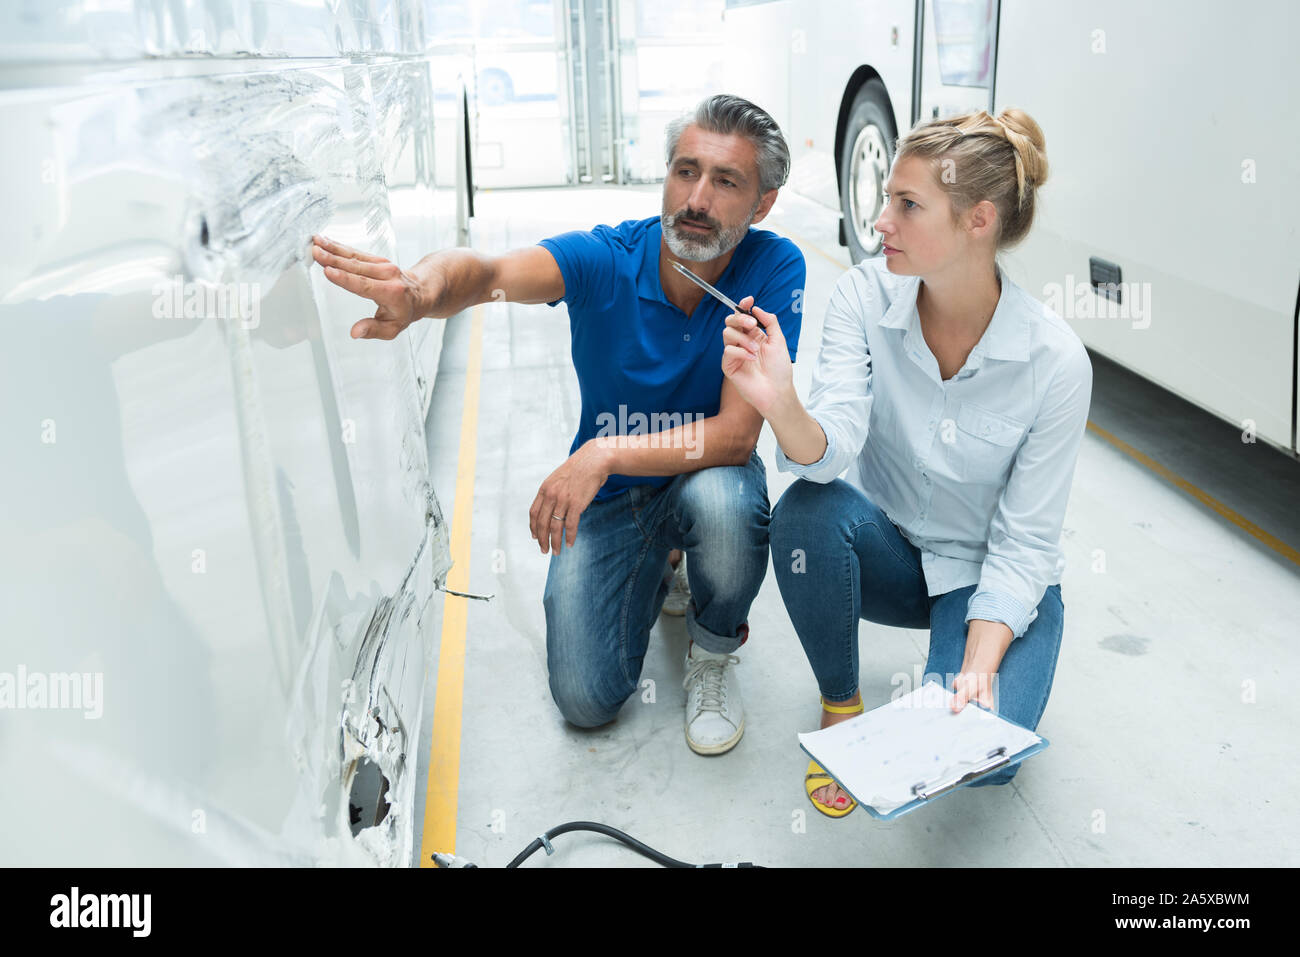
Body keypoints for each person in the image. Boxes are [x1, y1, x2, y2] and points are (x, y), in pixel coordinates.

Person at [310, 94, 807, 755]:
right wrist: (423, 292)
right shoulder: (608, 261)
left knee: (725, 501)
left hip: (699, 472)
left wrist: (602, 450)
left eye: (726, 181)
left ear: (763, 203)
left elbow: (737, 435)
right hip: (617, 496)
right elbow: (488, 272)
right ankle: (664, 561)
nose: (697, 197)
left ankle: (713, 647)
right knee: (586, 697)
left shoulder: (775, 268)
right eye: (686, 171)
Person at [720, 108, 1092, 815]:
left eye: (907, 204)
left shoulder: (1055, 363)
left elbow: (1025, 545)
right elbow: (830, 450)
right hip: (888, 553)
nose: (880, 220)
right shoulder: (865, 296)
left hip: (988, 581)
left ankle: (960, 670)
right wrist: (781, 403)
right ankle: (842, 705)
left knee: (981, 757)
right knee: (806, 512)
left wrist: (974, 674)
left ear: (978, 221)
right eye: (887, 197)